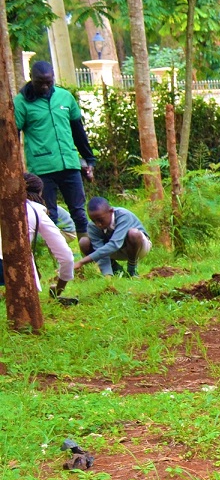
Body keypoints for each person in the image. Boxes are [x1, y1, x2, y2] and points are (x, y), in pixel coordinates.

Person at [13, 60, 95, 233]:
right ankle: (55, 258)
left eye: (48, 82)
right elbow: (13, 135)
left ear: (53, 78)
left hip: (69, 163)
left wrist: (89, 160)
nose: (44, 87)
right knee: (48, 217)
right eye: (39, 83)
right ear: (31, 78)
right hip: (42, 169)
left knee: (80, 214)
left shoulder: (65, 97)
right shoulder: (21, 102)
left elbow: (78, 131)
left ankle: (87, 256)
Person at [1, 173, 75, 303]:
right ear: (39, 193)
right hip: (11, 270)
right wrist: (59, 288)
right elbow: (66, 256)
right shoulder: (35, 210)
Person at [78, 196, 150, 277]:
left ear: (111, 211)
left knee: (133, 233)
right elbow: (100, 251)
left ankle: (132, 270)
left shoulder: (123, 215)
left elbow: (115, 244)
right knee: (84, 242)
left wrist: (82, 262)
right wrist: (107, 275)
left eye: (100, 220)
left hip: (139, 248)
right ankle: (116, 269)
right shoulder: (92, 226)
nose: (98, 224)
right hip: (114, 251)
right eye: (94, 221)